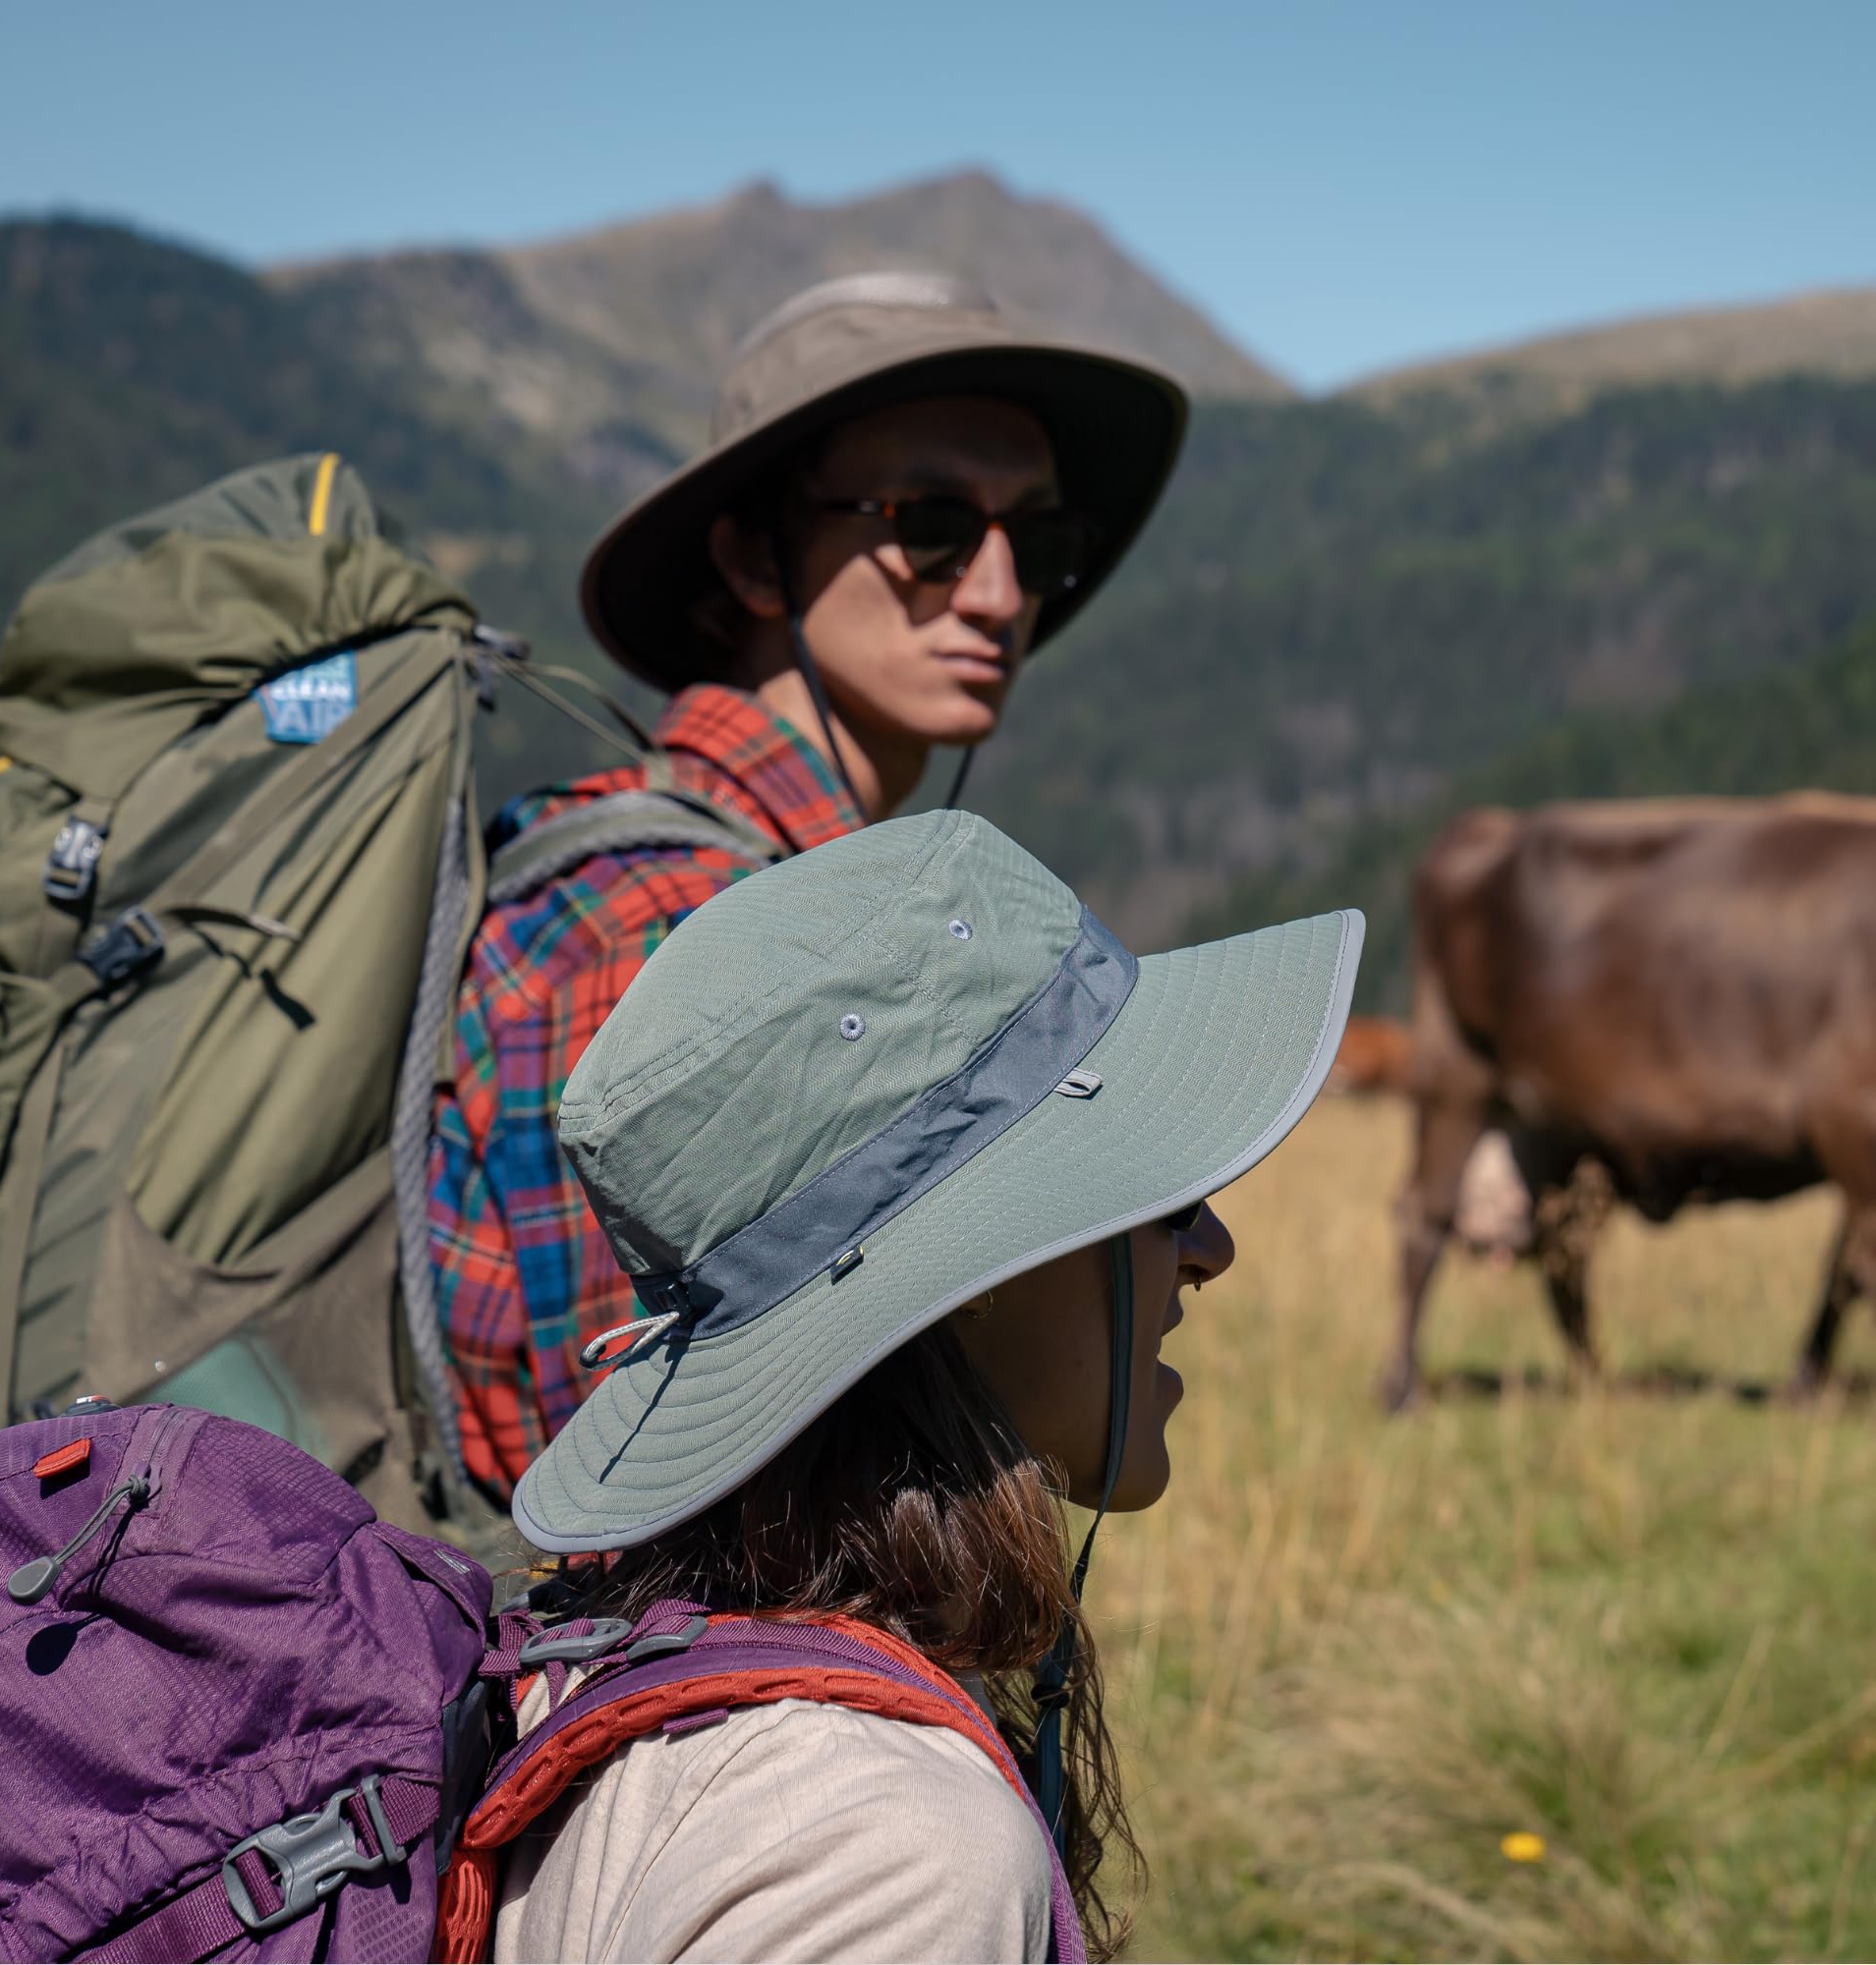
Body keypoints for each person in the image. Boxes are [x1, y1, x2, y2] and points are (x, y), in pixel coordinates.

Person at [491, 809, 1364, 1960]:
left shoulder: (625, 1656)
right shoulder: (896, 1850)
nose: (1210, 1249)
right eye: (1153, 1199)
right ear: (961, 1281)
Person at [427, 272, 1186, 1505]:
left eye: (1037, 541)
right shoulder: (670, 942)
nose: (998, 594)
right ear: (751, 555)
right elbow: (648, 1494)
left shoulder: (779, 908)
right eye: (930, 524)